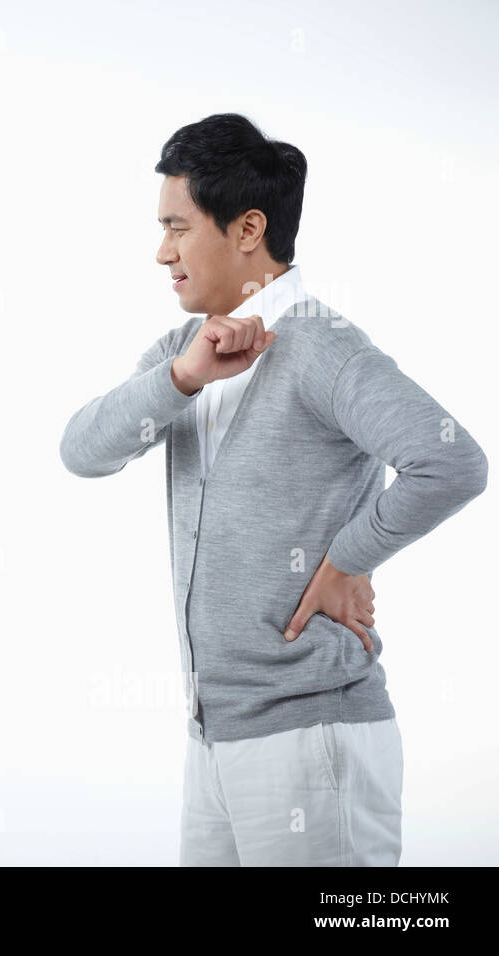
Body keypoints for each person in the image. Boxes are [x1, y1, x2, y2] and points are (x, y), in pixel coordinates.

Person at [59, 113, 487, 866]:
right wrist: (182, 378)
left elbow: (450, 462)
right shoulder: (183, 350)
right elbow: (83, 452)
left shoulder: (322, 347)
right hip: (213, 740)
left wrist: (348, 560)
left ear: (248, 228)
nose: (162, 252)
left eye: (177, 228)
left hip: (312, 740)